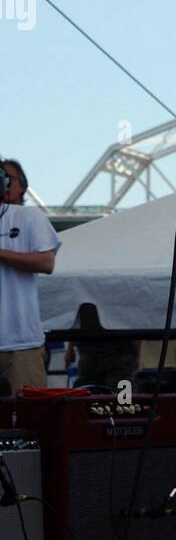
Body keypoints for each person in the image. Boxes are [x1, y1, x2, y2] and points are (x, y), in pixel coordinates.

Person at [0, 159, 61, 396]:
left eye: (8, 177)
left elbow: (46, 262)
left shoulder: (29, 217)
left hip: (21, 345)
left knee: (30, 423)